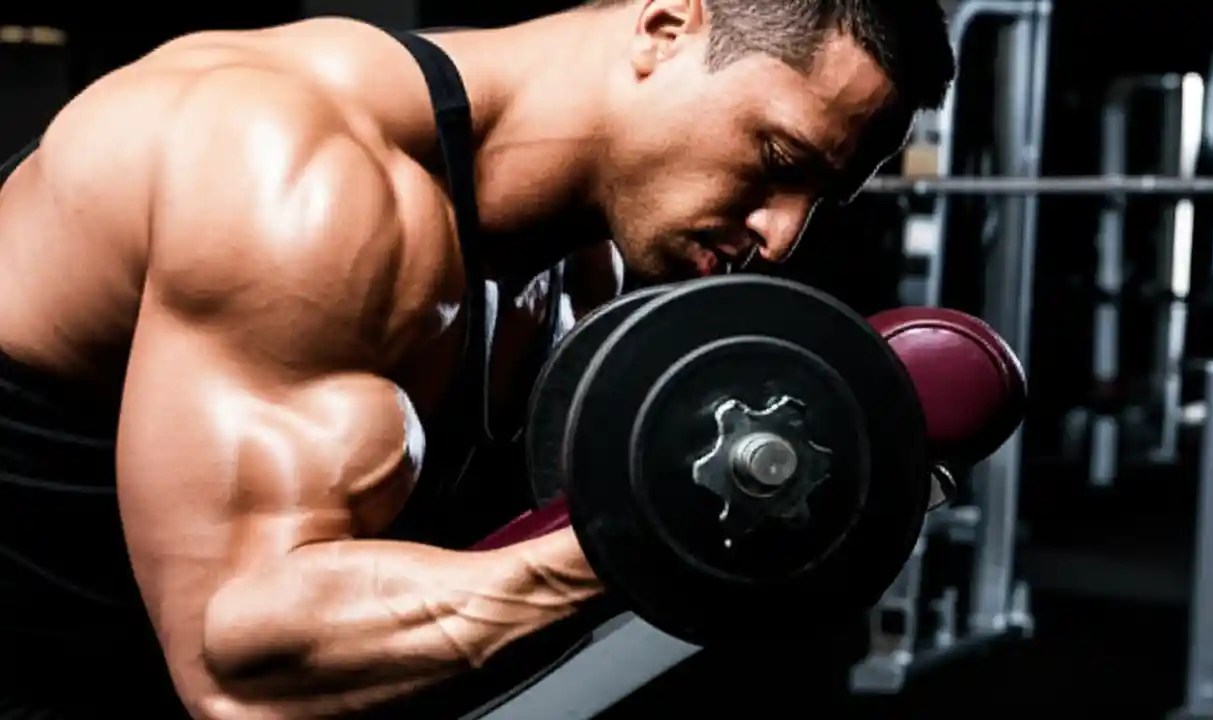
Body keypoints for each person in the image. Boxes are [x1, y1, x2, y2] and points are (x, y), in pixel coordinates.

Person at [0, 0, 955, 717]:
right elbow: (236, 668)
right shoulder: (295, 176)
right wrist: (641, 540)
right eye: (778, 160)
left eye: (820, 199)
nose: (782, 239)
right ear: (665, 29)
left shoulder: (586, 272)